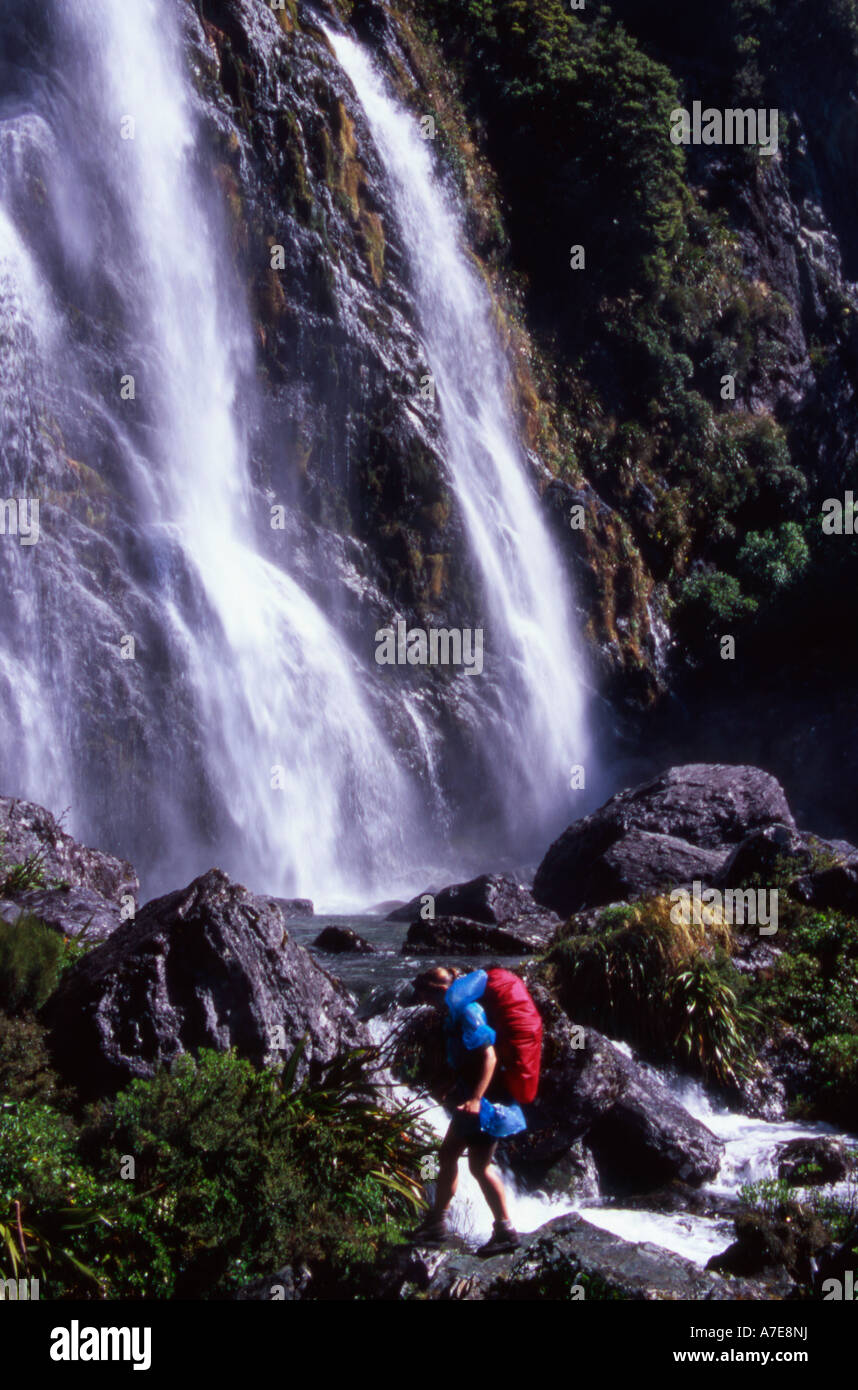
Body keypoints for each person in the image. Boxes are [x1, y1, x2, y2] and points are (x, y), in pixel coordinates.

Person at [408, 965, 523, 1257]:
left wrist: (475, 1098)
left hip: (487, 1105)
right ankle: (437, 1223)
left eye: (427, 995)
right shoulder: (455, 1014)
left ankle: (506, 1231)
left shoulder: (469, 1011)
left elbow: (489, 1056)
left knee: (479, 1167)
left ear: (441, 990)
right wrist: (450, 1085)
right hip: (470, 1101)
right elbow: (465, 1059)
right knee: (447, 1155)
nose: (426, 1003)